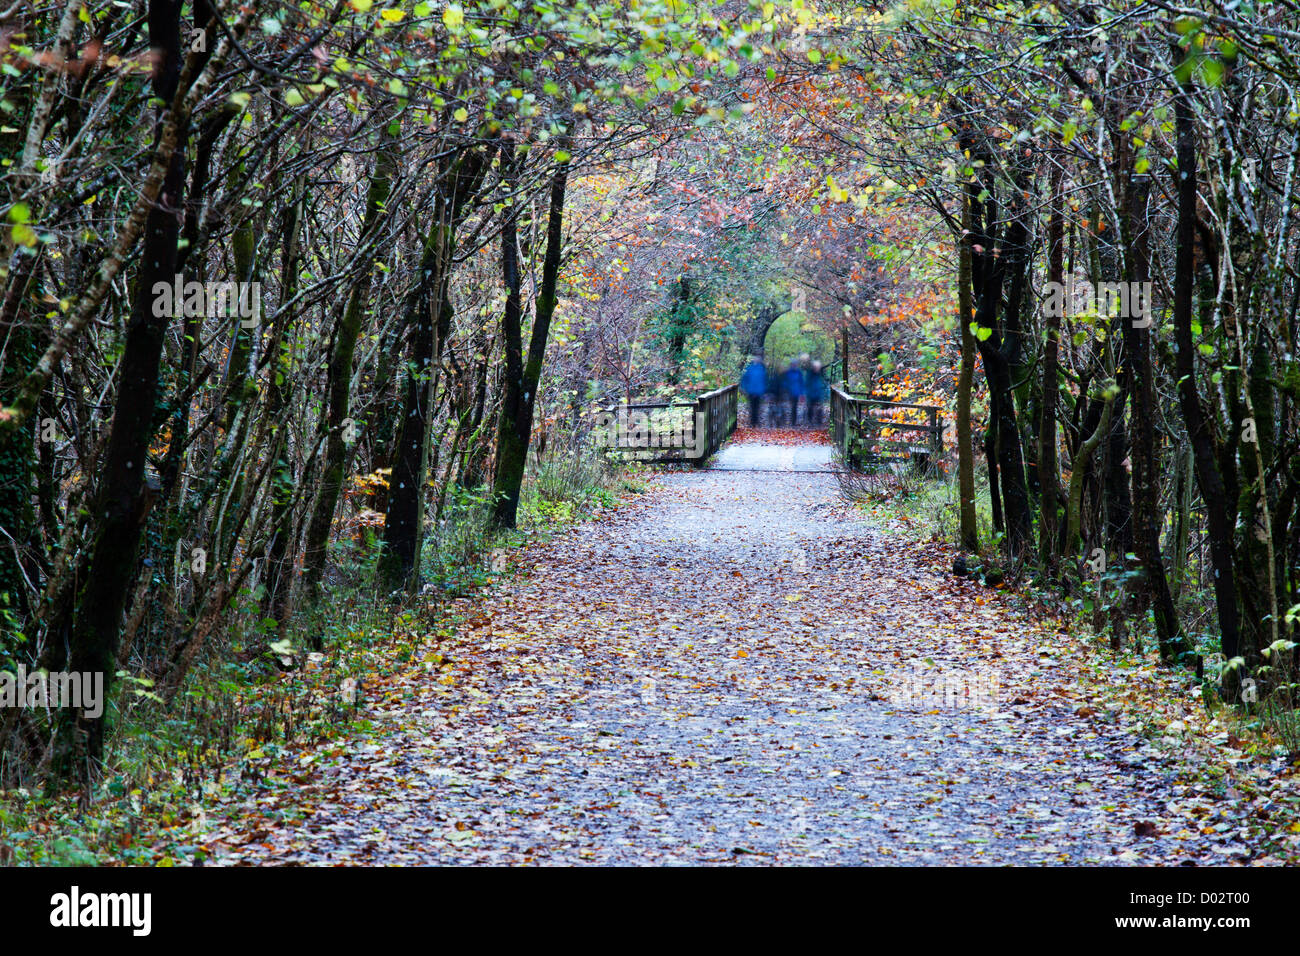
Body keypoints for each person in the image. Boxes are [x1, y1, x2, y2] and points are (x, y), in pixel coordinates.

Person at [739, 357, 767, 427]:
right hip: (751, 391)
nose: (757, 359)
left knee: (757, 407)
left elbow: (765, 380)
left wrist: (765, 390)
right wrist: (743, 387)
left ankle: (756, 422)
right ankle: (752, 422)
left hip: (759, 391)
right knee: (752, 406)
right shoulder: (750, 368)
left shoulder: (762, 369)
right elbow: (745, 379)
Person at [805, 360, 828, 426]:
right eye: (816, 367)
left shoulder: (820, 375)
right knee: (810, 408)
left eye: (818, 367)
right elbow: (807, 384)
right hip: (811, 394)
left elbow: (824, 384)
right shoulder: (810, 374)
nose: (817, 368)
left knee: (820, 408)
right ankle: (810, 421)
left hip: (818, 394)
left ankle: (819, 422)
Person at [782, 359, 805, 426]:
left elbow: (801, 383)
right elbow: (785, 381)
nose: (794, 365)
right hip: (789, 392)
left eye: (795, 364)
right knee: (789, 406)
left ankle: (793, 422)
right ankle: (787, 421)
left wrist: (802, 394)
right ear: (791, 365)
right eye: (793, 364)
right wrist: (785, 389)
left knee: (794, 407)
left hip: (796, 392)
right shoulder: (788, 372)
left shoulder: (799, 373)